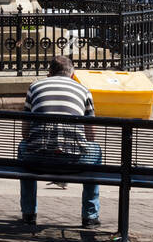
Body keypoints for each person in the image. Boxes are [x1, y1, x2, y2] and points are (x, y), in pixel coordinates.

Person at [19, 55, 100, 228]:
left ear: (49, 72)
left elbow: (25, 133)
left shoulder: (34, 87)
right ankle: (90, 216)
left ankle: (28, 214)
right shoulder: (84, 90)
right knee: (96, 150)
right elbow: (91, 135)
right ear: (72, 74)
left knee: (23, 148)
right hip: (73, 161)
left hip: (38, 159)